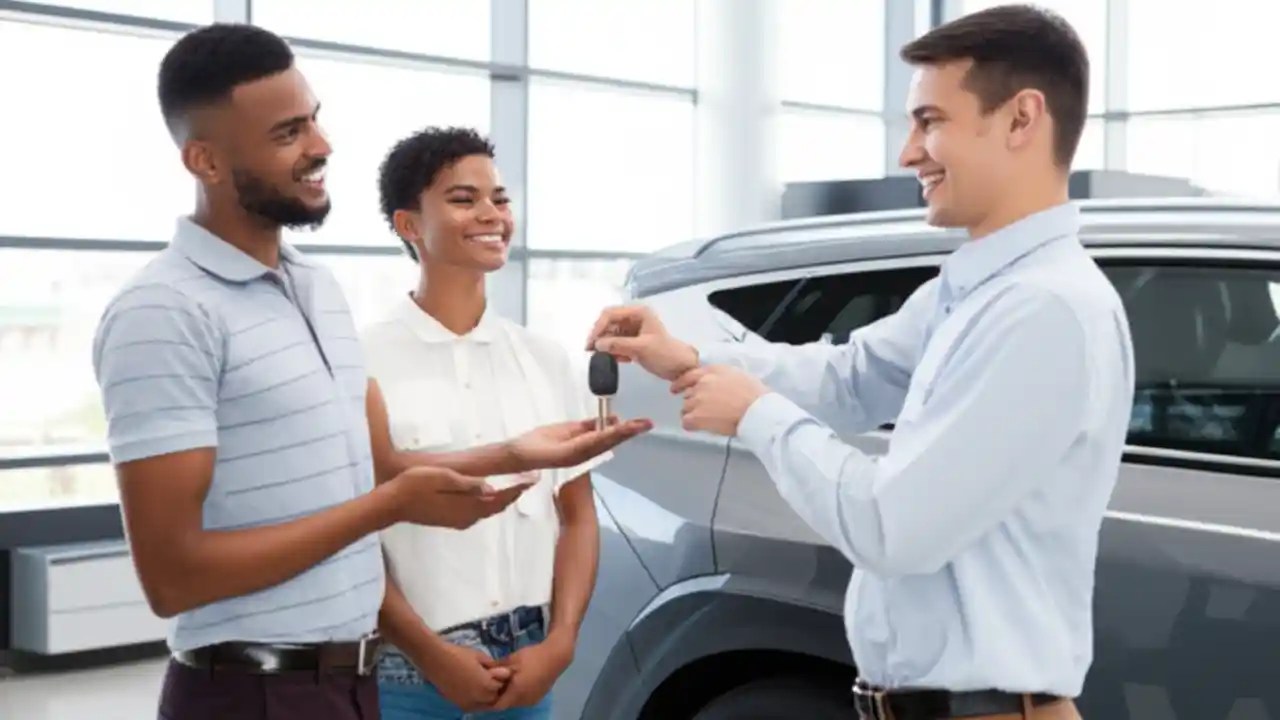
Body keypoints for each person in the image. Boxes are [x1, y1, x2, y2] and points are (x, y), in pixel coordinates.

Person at [586, 6, 1133, 720]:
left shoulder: (1044, 312)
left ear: (1021, 120)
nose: (909, 153)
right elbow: (848, 377)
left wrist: (755, 414)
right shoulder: (973, 290)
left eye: (930, 120)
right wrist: (687, 358)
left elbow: (891, 527)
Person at [93, 24, 642, 720]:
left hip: (348, 680)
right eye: (288, 132)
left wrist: (513, 453)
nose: (321, 146)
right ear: (205, 160)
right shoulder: (163, 311)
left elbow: (375, 467)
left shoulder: (315, 291)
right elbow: (171, 578)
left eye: (314, 120)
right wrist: (392, 509)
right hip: (253, 690)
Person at [357, 126, 638, 720]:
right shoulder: (361, 361)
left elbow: (578, 514)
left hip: (529, 664)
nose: (493, 214)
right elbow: (352, 535)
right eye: (464, 199)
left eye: (500, 199)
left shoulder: (544, 359)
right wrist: (430, 654)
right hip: (408, 671)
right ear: (409, 225)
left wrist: (561, 643)